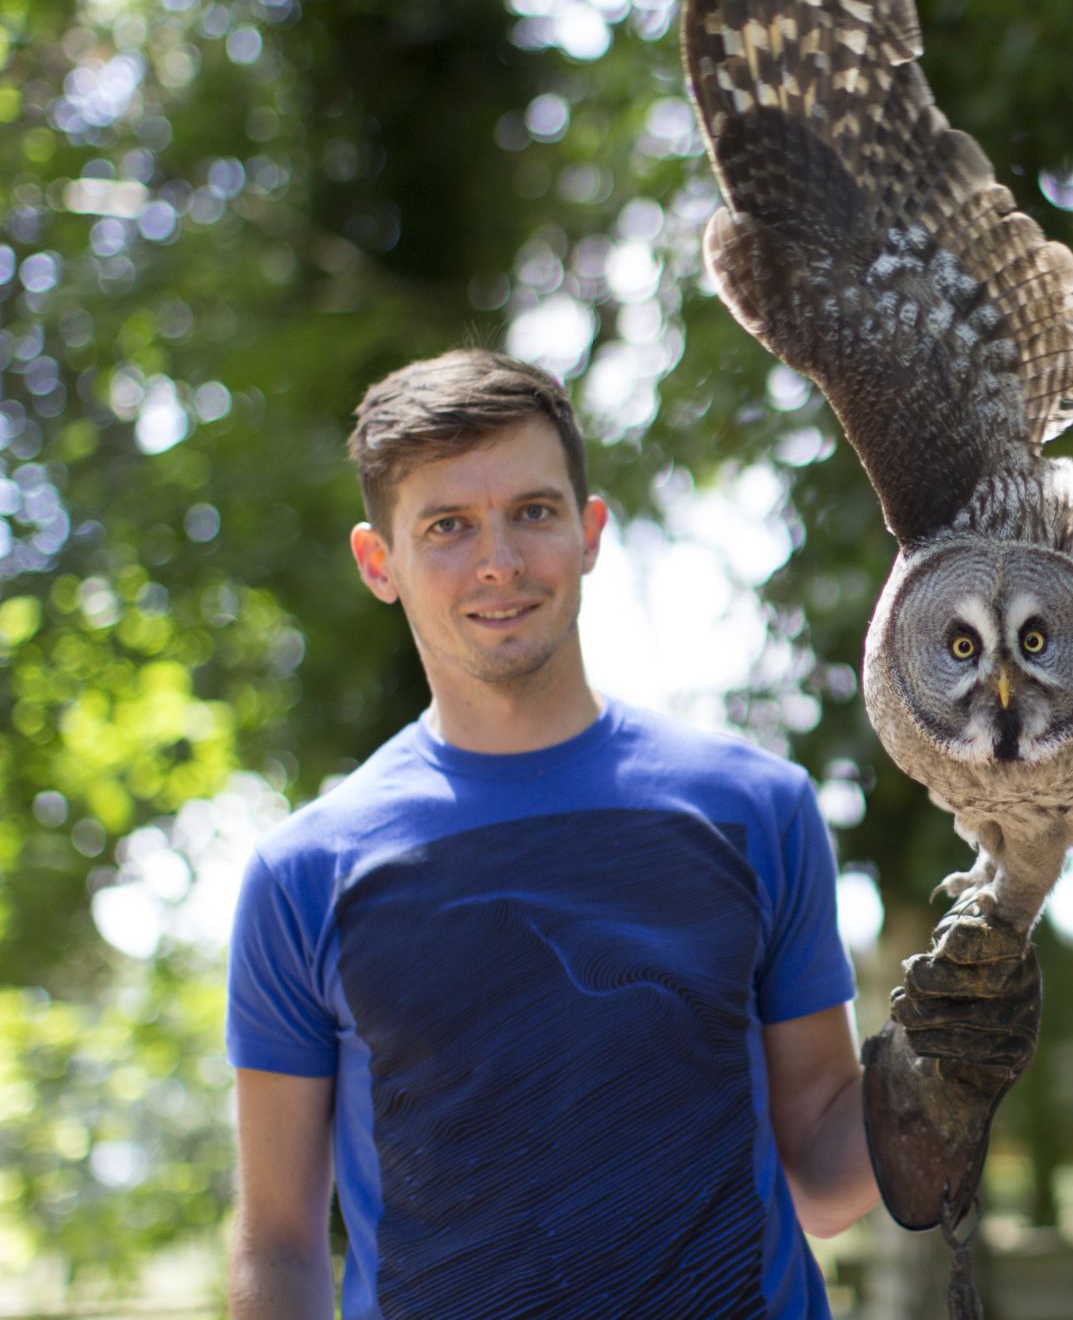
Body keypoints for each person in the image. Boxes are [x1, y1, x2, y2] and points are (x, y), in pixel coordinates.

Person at [224, 349, 879, 1318]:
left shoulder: (756, 810)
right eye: (447, 526)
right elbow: (277, 1245)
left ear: (588, 530)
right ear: (379, 562)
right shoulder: (304, 876)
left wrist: (945, 1062)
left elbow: (824, 1178)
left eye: (532, 512)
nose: (498, 560)